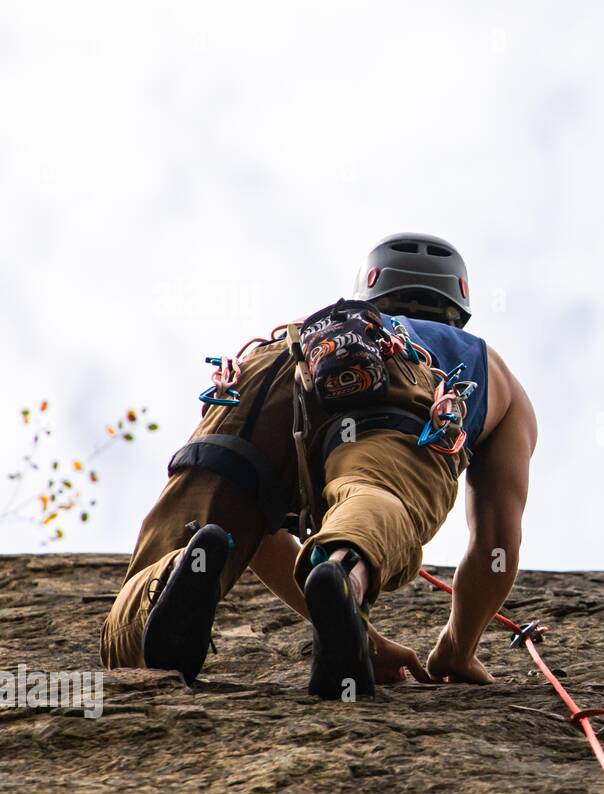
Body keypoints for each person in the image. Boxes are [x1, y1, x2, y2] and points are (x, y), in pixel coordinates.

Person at [99, 233, 537, 695]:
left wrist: (363, 640)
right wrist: (457, 647)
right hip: (398, 381)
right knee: (377, 488)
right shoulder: (490, 368)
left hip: (269, 368)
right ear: (458, 302)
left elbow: (263, 527)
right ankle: (346, 566)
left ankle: (159, 597)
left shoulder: (322, 319)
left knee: (209, 507)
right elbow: (497, 543)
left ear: (371, 285)